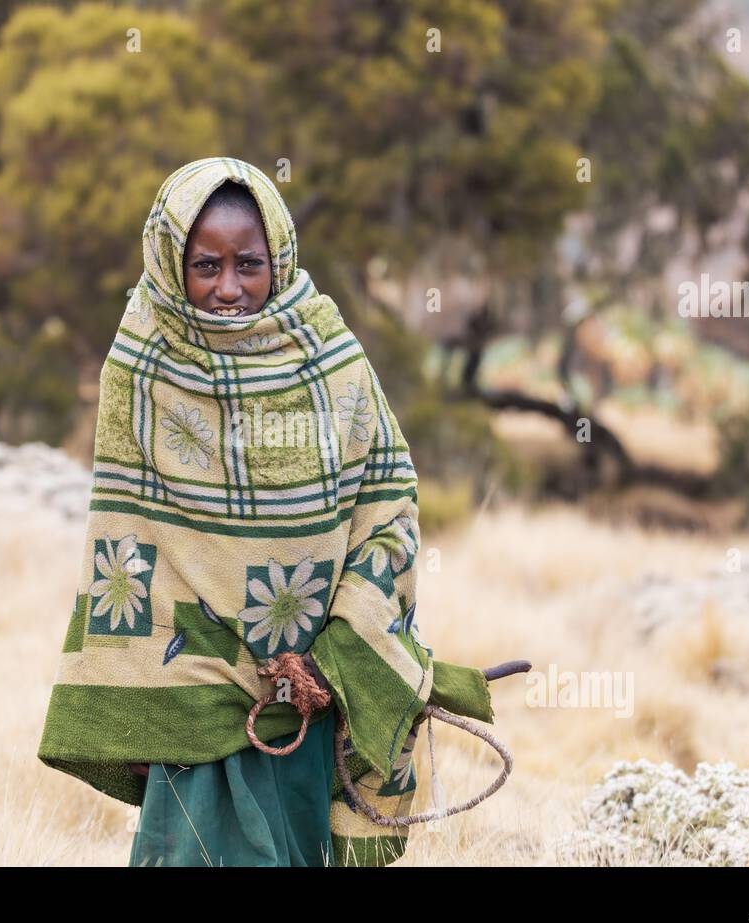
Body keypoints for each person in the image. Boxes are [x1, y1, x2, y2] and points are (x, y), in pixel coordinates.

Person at [36, 157, 493, 867]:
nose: (228, 289)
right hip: (190, 684)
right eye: (205, 265)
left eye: (248, 264)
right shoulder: (143, 360)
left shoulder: (329, 354)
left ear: (277, 257)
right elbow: (128, 534)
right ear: (170, 264)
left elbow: (387, 504)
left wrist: (341, 645)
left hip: (309, 688)